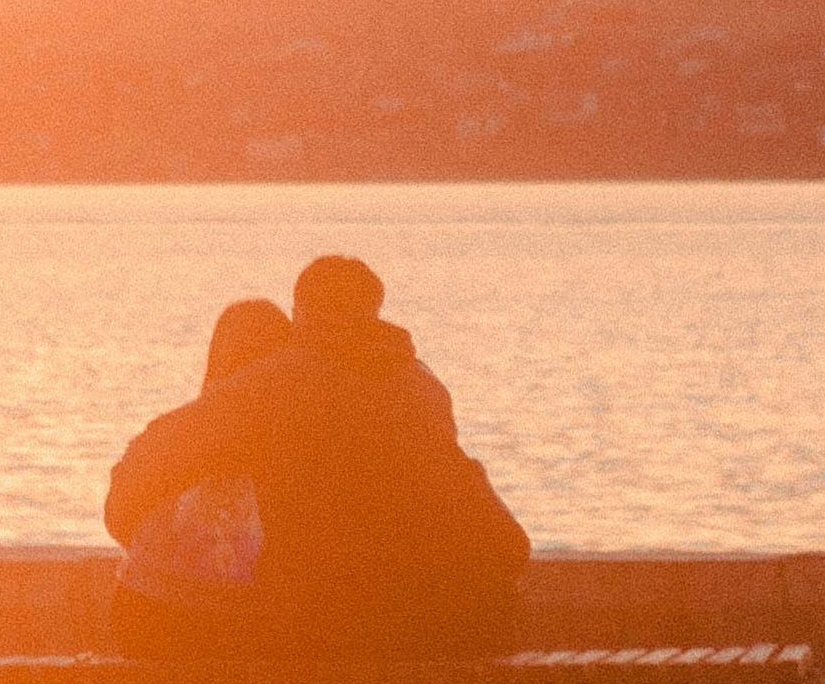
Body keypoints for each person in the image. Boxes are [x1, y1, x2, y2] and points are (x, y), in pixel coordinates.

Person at [103, 252, 529, 661]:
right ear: (375, 307)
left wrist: (132, 530)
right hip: (424, 624)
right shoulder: (423, 389)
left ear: (301, 312)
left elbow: (152, 459)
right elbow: (508, 545)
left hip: (314, 628)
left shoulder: (276, 381)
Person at [106, 295, 291, 656]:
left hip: (144, 616)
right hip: (240, 626)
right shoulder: (295, 438)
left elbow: (118, 513)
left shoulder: (179, 429)